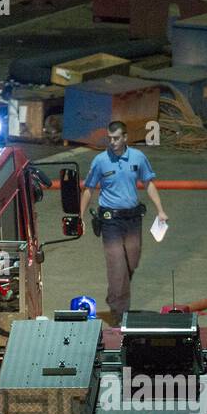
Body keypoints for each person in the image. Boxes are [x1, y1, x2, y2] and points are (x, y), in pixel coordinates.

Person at [78, 121, 168, 326]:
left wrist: (160, 210)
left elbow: (149, 184)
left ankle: (115, 295)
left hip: (133, 220)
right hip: (110, 220)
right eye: (110, 139)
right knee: (117, 265)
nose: (113, 142)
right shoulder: (100, 161)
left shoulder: (138, 158)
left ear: (126, 137)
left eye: (117, 138)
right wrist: (79, 216)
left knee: (132, 261)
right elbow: (88, 189)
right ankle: (119, 313)